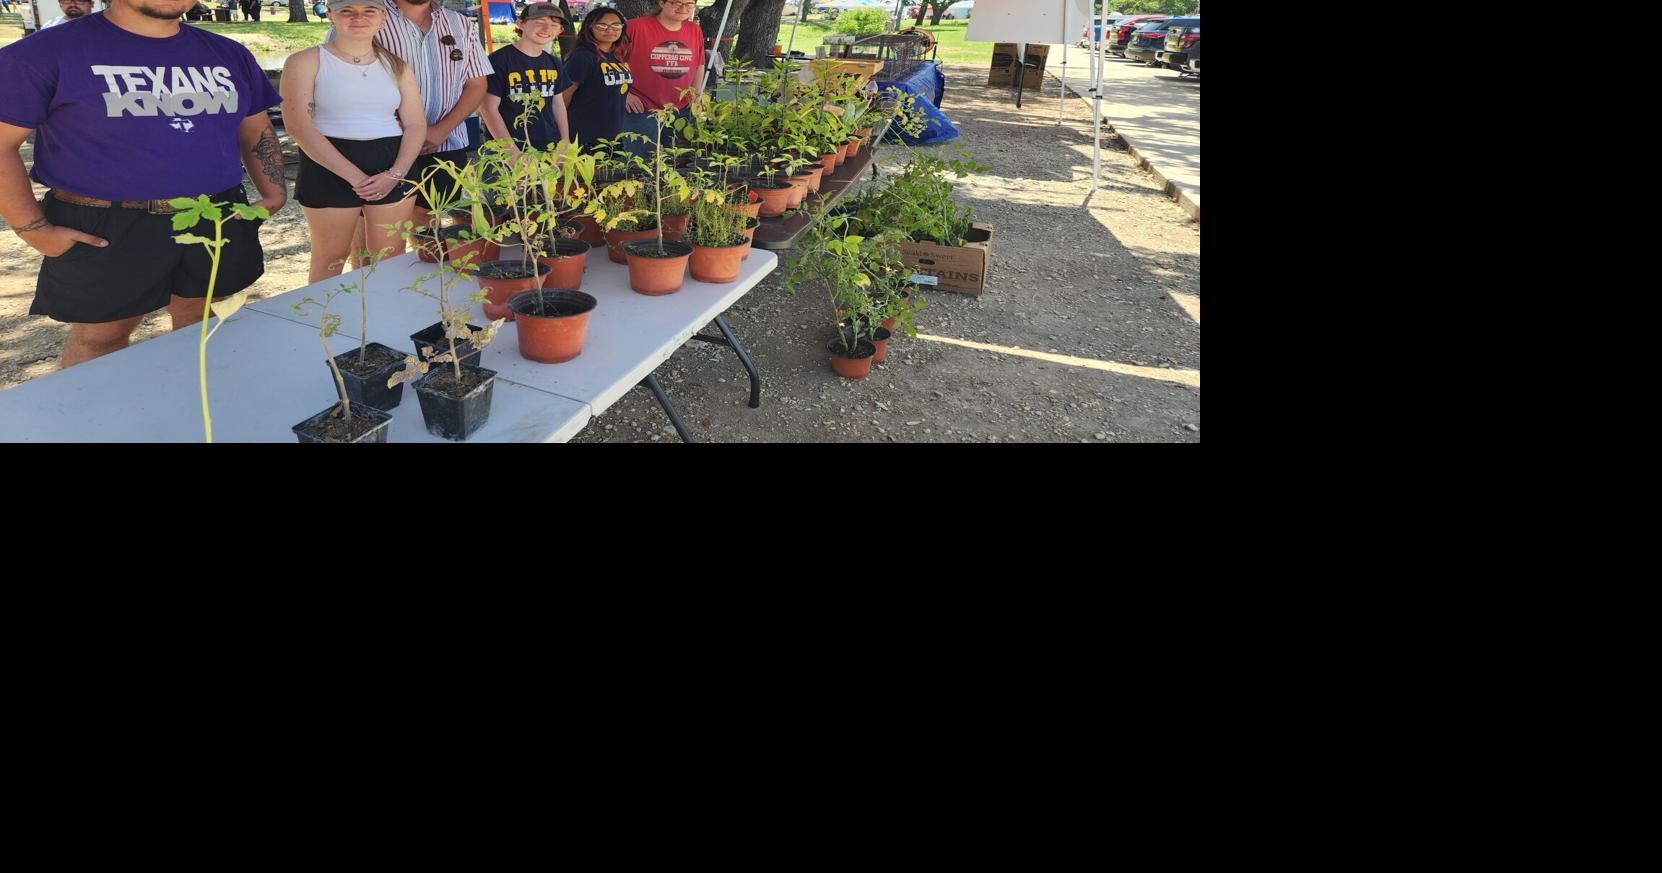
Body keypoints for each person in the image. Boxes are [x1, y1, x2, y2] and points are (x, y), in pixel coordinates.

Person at [0, 0, 286, 368]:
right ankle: (96, 408)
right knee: (101, 337)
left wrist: (274, 192)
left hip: (216, 213)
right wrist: (34, 229)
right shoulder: (41, 53)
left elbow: (256, 126)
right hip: (104, 222)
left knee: (202, 321)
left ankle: (195, 401)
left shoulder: (229, 54)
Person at [282, 0, 424, 283]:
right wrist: (355, 178)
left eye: (368, 11)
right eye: (346, 11)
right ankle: (324, 312)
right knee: (330, 258)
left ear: (382, 18)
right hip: (327, 162)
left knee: (390, 252)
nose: (358, 18)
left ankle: (382, 308)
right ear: (330, 15)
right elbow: (299, 127)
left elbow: (416, 124)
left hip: (391, 161)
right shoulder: (304, 61)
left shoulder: (398, 67)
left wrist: (395, 173)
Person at [480, 3, 569, 155]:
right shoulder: (499, 60)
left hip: (549, 148)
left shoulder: (554, 63)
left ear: (560, 30)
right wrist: (513, 154)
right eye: (539, 22)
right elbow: (488, 109)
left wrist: (564, 142)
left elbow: (558, 105)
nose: (546, 29)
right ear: (521, 23)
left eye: (554, 25)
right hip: (508, 149)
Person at [622, 0, 702, 147]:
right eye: (676, 2)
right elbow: (611, 61)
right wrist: (624, 94)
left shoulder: (694, 30)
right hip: (641, 107)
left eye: (689, 3)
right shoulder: (635, 27)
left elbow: (699, 64)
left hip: (681, 108)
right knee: (641, 159)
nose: (683, 8)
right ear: (661, 3)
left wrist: (696, 97)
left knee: (678, 158)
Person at [559, 4, 632, 154]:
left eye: (616, 25)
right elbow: (561, 99)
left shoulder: (617, 56)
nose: (610, 30)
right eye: (602, 25)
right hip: (584, 137)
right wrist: (562, 137)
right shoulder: (582, 57)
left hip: (613, 135)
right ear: (590, 27)